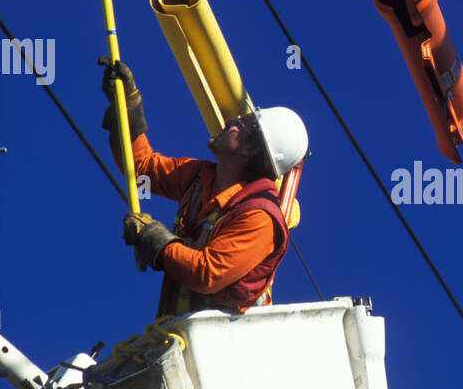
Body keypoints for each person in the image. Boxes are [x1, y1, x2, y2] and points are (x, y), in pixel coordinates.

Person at [99, 58, 308, 316]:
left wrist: (155, 239)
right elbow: (142, 167)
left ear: (249, 148)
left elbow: (208, 274)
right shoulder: (201, 178)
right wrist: (127, 106)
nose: (230, 123)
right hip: (183, 335)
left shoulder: (259, 218)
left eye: (241, 124)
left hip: (221, 348)